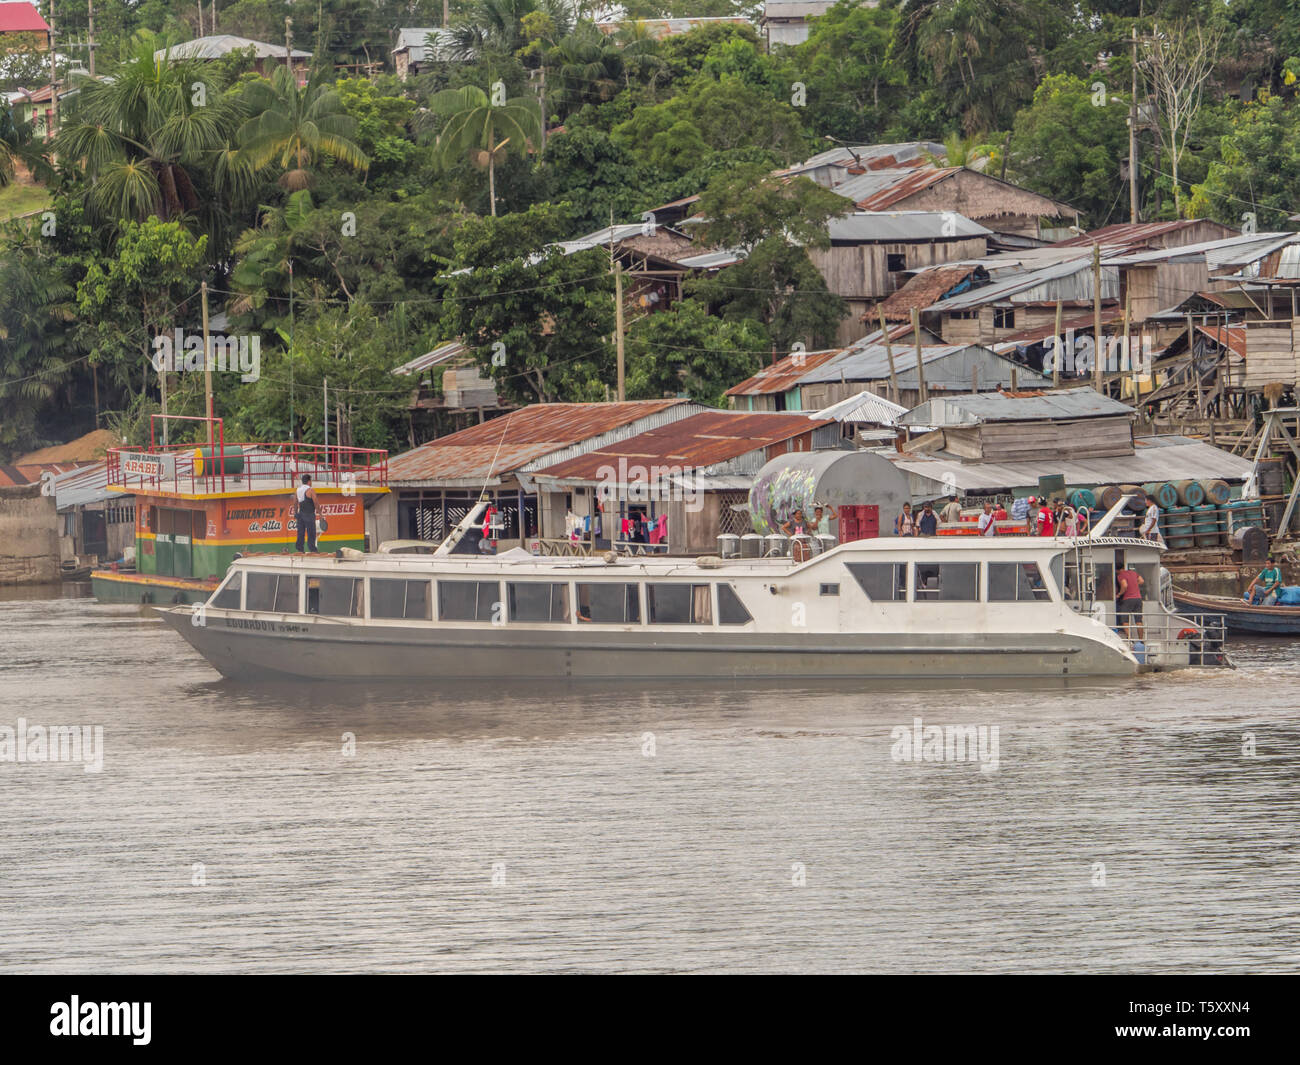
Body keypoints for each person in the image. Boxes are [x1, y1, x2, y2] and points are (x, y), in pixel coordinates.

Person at [1115, 555, 1145, 641]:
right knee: (1139, 621)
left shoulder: (1120, 575)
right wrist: (1135, 585)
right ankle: (1141, 640)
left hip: (1128, 599)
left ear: (1117, 570)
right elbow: (1142, 581)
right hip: (1138, 599)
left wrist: (1119, 594)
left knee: (1124, 619)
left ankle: (1129, 638)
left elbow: (1124, 585)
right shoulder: (1133, 573)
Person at [294, 474, 318, 553]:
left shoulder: (297, 490)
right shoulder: (310, 490)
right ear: (309, 481)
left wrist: (295, 513)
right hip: (309, 514)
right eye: (311, 480)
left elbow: (295, 503)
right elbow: (316, 503)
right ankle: (312, 550)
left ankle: (300, 549)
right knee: (311, 532)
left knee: (300, 532)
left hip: (300, 514)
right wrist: (320, 514)